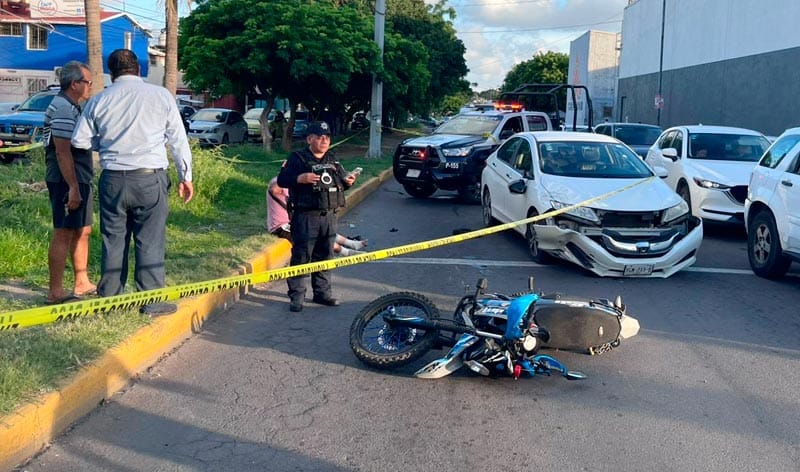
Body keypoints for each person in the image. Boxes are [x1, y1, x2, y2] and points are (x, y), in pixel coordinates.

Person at [72, 49, 194, 316]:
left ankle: (110, 300)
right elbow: (177, 140)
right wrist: (186, 177)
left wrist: (104, 144)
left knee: (113, 240)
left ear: (111, 72)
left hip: (113, 178)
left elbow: (79, 141)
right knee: (150, 240)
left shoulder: (99, 100)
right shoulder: (161, 96)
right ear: (138, 68)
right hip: (150, 178)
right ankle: (151, 302)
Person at [277, 121, 358, 312]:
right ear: (309, 139)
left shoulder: (332, 158)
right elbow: (282, 180)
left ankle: (322, 294)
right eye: (320, 137)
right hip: (306, 216)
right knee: (302, 256)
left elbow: (340, 182)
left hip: (329, 216)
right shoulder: (297, 158)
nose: (324, 141)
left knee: (325, 256)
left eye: (327, 137)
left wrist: (348, 182)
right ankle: (297, 296)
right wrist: (300, 178)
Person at [44, 61, 96, 304]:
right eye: (87, 82)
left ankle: (81, 282)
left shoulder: (72, 107)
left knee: (82, 229)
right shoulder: (64, 108)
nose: (90, 87)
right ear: (74, 84)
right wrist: (73, 187)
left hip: (78, 177)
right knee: (63, 232)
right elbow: (62, 152)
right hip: (67, 179)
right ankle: (55, 290)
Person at [266, 176, 367, 256]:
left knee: (322, 230)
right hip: (281, 226)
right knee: (317, 238)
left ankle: (351, 243)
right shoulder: (278, 181)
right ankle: (345, 252)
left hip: (295, 221)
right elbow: (273, 189)